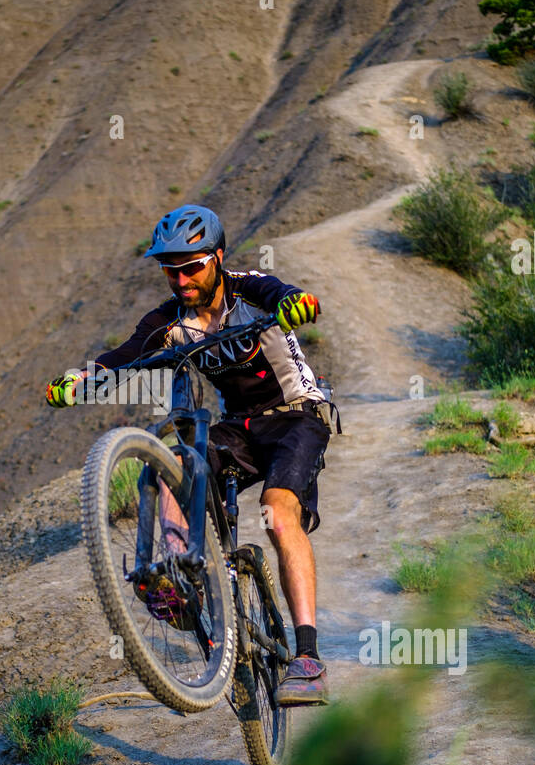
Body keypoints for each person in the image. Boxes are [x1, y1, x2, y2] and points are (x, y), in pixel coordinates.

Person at [46, 204, 339, 706]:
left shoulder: (250, 288)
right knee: (176, 468)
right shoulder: (169, 321)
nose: (180, 278)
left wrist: (298, 304)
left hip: (298, 415)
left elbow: (286, 295)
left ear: (217, 257)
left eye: (191, 266)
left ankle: (307, 657)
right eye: (170, 268)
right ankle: (180, 577)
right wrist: (82, 378)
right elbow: (125, 354)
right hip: (239, 425)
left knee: (279, 513)